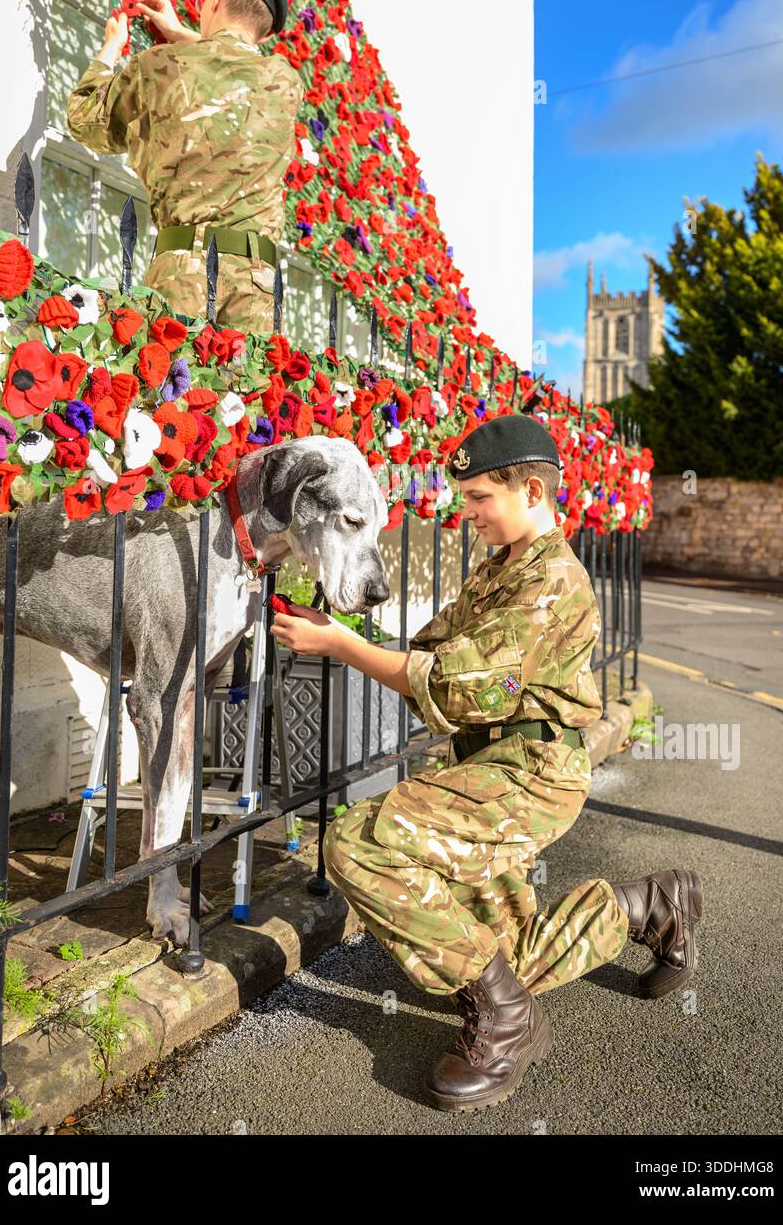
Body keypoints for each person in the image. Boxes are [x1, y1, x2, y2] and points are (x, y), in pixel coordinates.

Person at [270, 413, 704, 1113]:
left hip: (528, 776)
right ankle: (647, 906)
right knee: (506, 956)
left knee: (358, 842)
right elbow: (431, 651)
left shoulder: (552, 580)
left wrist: (342, 647)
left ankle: (508, 1024)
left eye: (479, 499)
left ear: (531, 491)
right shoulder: (500, 571)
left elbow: (461, 684)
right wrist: (343, 622)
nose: (466, 514)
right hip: (488, 769)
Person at [66, 0, 305, 330]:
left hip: (183, 268)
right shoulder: (286, 84)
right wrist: (184, 34)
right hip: (257, 285)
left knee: (170, 385)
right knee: (243, 390)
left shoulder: (158, 66)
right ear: (270, 32)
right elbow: (234, 63)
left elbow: (83, 119)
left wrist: (112, 45)